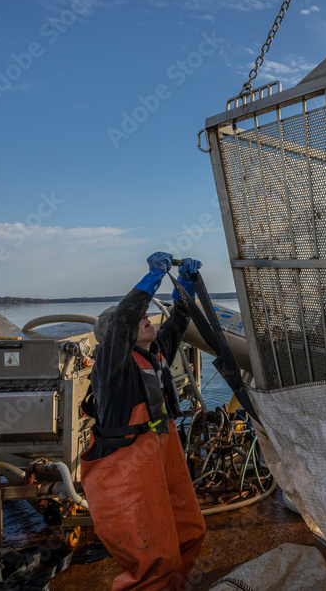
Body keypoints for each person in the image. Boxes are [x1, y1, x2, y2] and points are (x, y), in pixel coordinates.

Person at [80, 252, 207, 591]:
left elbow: (178, 322)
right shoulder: (112, 366)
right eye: (141, 319)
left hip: (161, 456)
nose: (147, 319)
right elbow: (123, 319)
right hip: (126, 469)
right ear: (117, 338)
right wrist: (151, 279)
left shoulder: (154, 354)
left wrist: (188, 288)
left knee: (189, 532)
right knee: (151, 555)